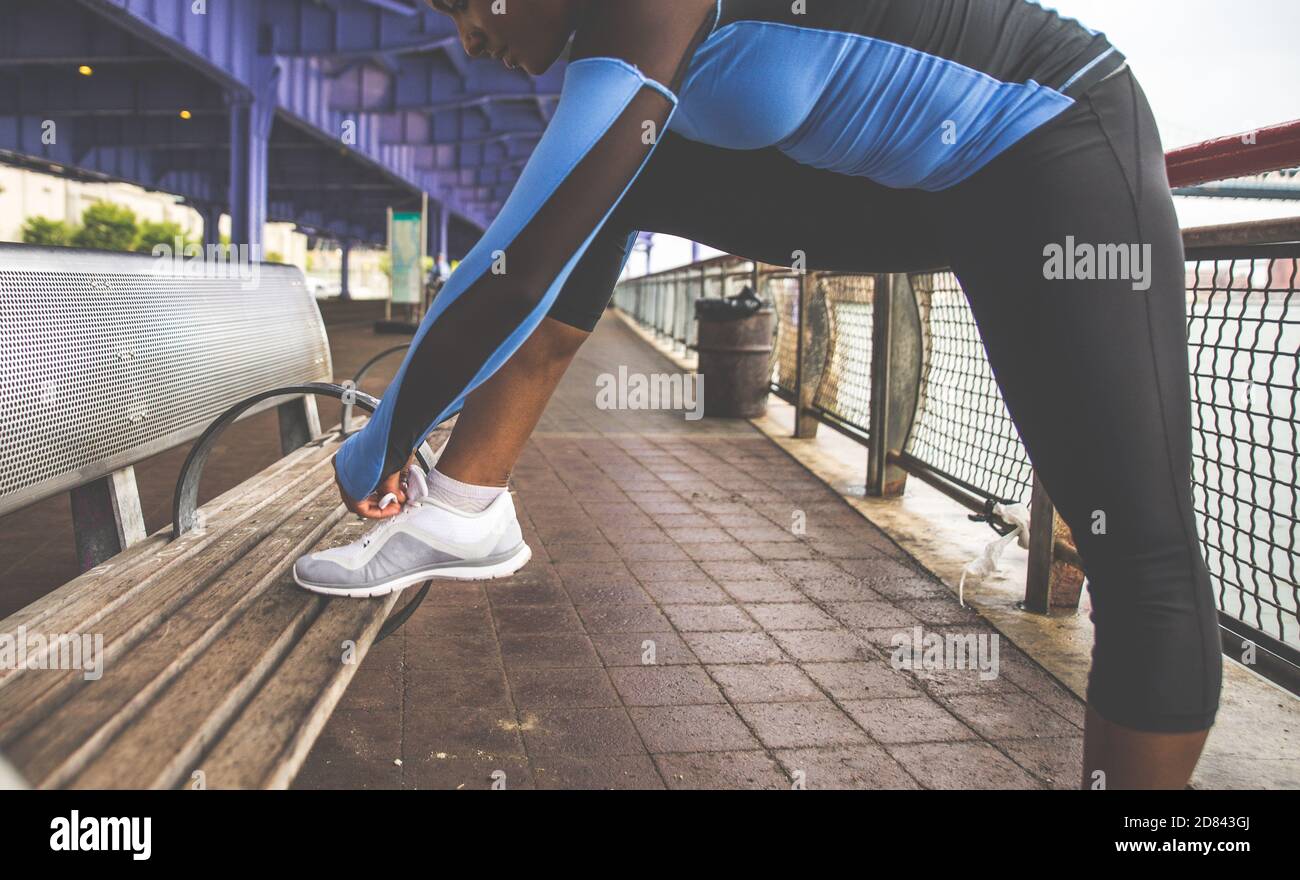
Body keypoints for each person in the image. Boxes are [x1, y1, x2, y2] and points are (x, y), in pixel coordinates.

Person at [292, 0, 1223, 789]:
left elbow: (509, 268)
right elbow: (533, 247)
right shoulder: (615, 54)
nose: (464, 39)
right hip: (918, 184)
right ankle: (464, 506)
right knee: (604, 186)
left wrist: (377, 447)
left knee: (1140, 557)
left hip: (1053, 139)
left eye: (461, 2)